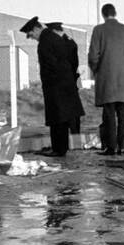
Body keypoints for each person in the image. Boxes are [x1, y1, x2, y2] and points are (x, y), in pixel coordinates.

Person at [22, 17, 84, 157]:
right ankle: (60, 147)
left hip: (55, 85)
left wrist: (50, 81)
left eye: (31, 35)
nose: (32, 38)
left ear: (37, 29)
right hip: (65, 83)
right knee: (61, 117)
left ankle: (58, 148)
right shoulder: (55, 38)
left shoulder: (45, 41)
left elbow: (50, 64)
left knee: (58, 118)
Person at [86, 3, 124, 155]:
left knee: (109, 116)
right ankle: (122, 146)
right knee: (123, 116)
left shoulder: (98, 30)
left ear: (103, 14)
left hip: (106, 80)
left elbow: (93, 55)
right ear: (115, 13)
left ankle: (111, 147)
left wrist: (98, 70)